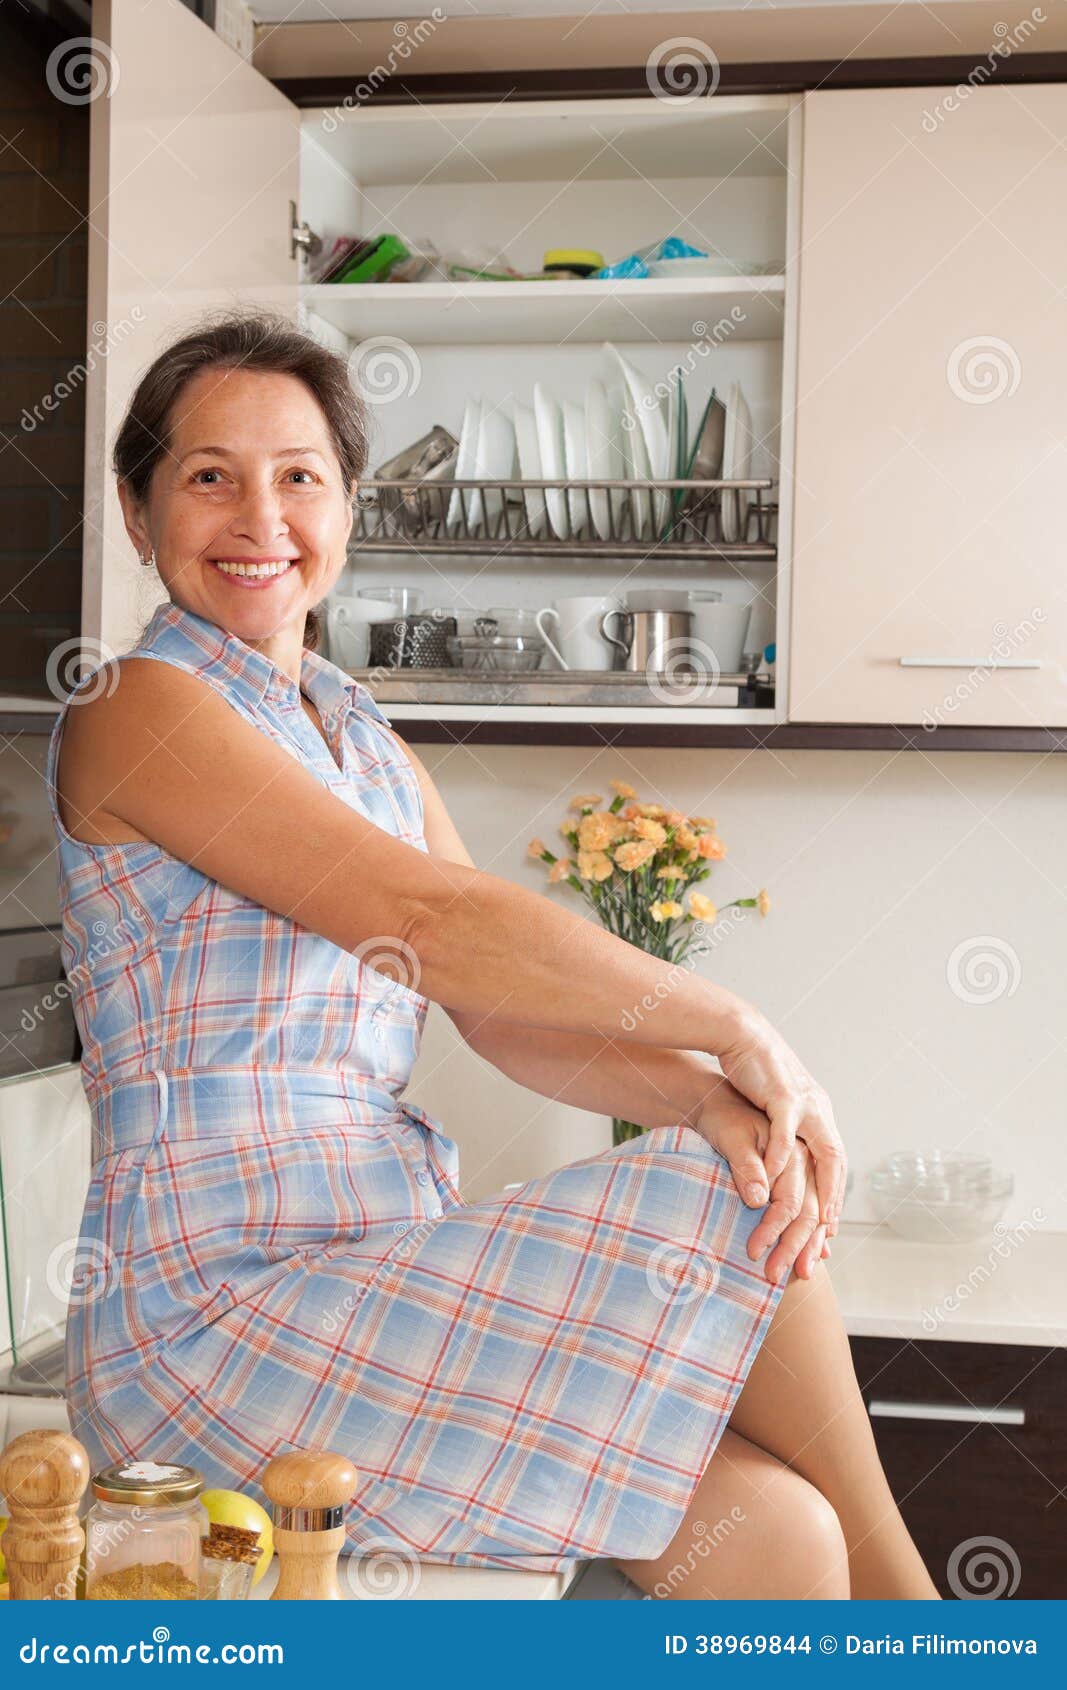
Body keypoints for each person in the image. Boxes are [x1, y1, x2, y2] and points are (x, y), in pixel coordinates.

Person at [47, 311, 936, 1599]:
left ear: (348, 508)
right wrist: (732, 1025)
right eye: (207, 476)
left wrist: (709, 1095)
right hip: (211, 1321)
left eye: (300, 476)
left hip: (375, 1272)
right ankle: (928, 1631)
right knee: (717, 1192)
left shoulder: (360, 737)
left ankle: (908, 1635)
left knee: (780, 1531)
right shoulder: (136, 708)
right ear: (139, 515)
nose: (261, 516)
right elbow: (432, 923)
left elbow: (494, 1006)